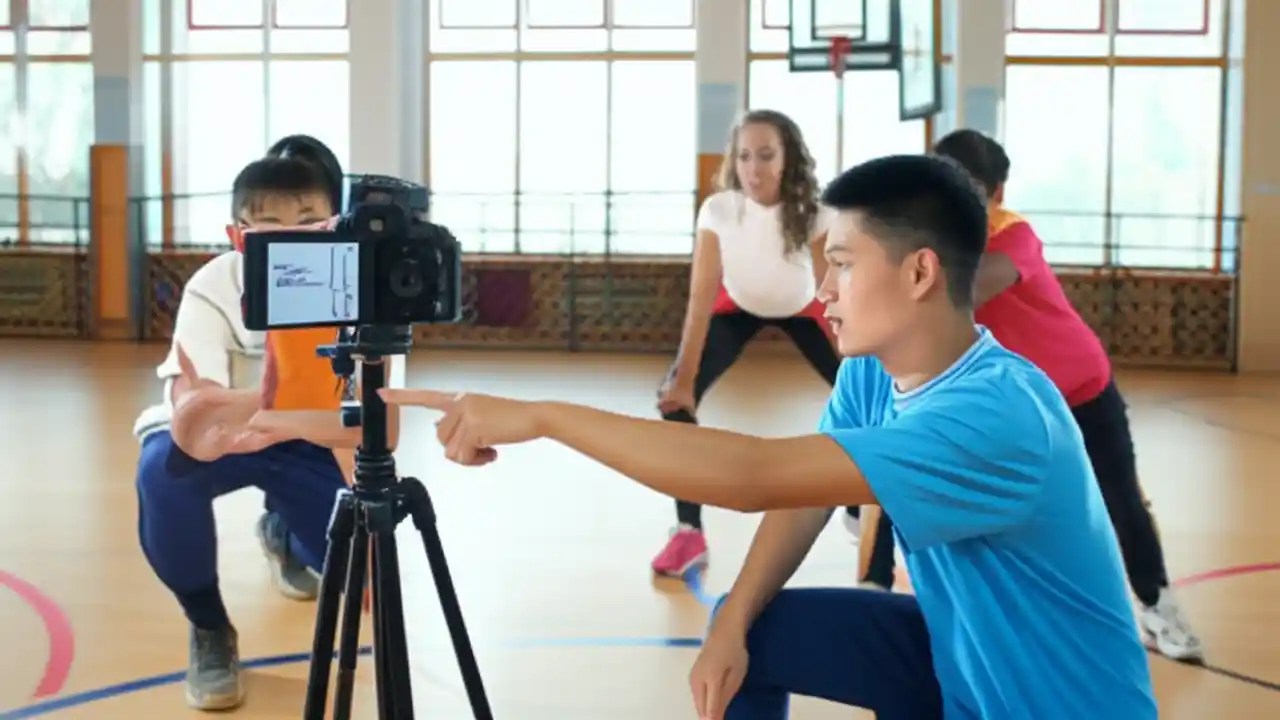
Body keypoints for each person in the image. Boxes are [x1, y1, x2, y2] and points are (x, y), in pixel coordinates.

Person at [377, 154, 1158, 720]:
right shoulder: (876, 369)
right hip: (960, 664)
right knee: (758, 628)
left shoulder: (998, 415)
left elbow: (751, 475)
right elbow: (800, 494)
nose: (822, 293)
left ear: (920, 274)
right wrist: (732, 617)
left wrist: (543, 416)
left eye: (843, 266)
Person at [854, 128, 1202, 663]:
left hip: (1079, 389)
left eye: (969, 187)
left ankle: (1158, 608)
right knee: (904, 475)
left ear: (996, 193)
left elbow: (965, 293)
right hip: (1005, 404)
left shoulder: (1011, 234)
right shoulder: (927, 237)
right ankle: (873, 593)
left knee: (1120, 502)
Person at [131, 153, 401, 711]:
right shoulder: (212, 285)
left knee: (354, 561)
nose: (294, 240)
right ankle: (208, 627)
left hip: (307, 438)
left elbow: (378, 430)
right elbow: (194, 422)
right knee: (163, 475)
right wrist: (287, 395)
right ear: (238, 235)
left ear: (338, 222)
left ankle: (285, 535)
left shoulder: (365, 288)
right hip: (225, 438)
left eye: (310, 222)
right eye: (270, 227)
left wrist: (305, 421)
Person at [652, 109, 846, 578]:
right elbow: (701, 296)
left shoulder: (817, 213)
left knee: (873, 397)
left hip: (803, 308)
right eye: (743, 157)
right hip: (736, 307)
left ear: (788, 160)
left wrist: (863, 371)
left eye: (765, 155)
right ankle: (687, 533)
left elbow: (832, 293)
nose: (753, 169)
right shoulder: (720, 211)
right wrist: (683, 376)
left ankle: (867, 509)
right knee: (673, 401)